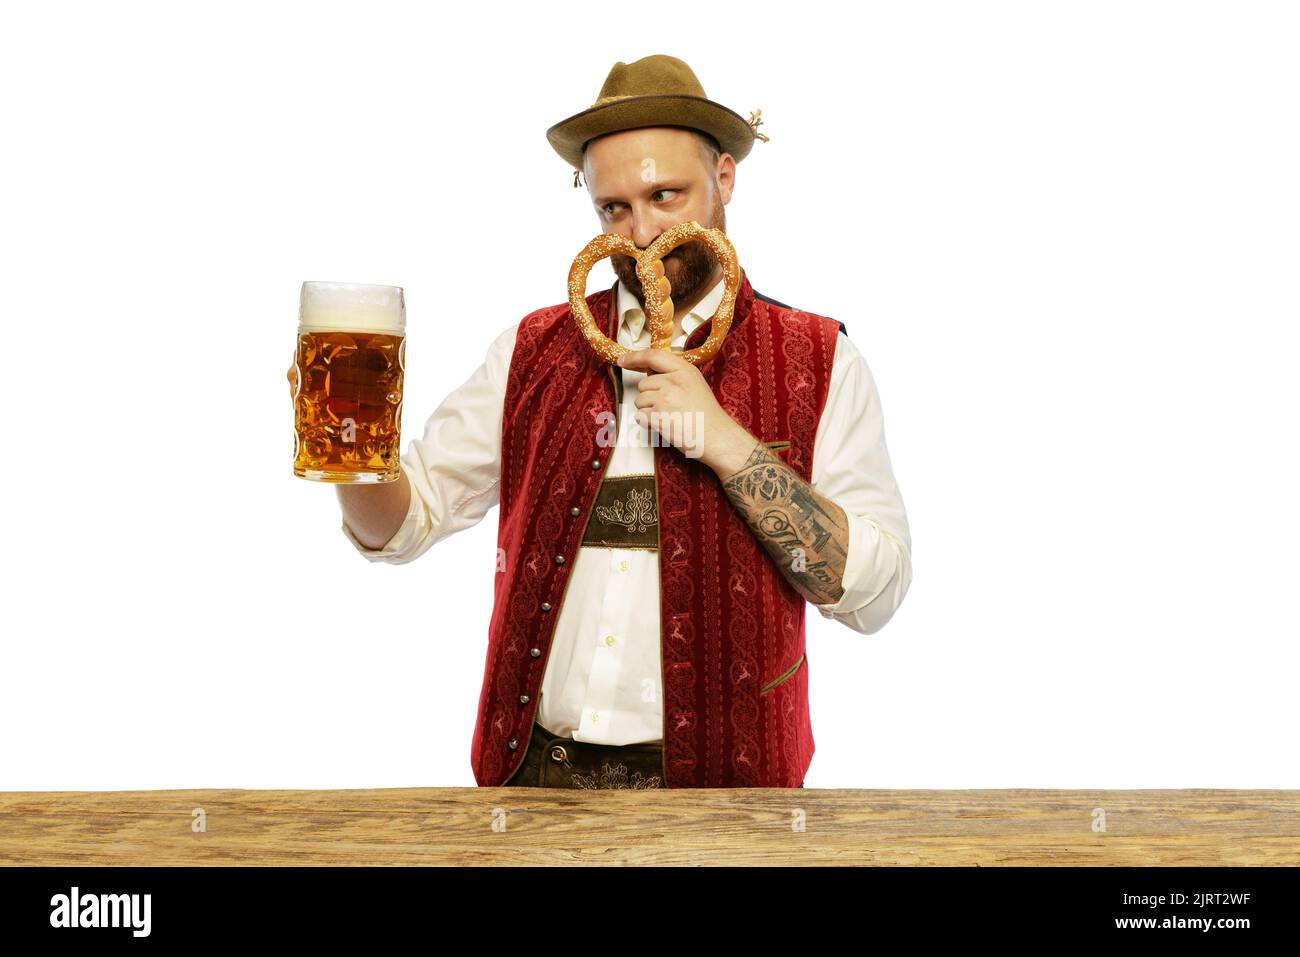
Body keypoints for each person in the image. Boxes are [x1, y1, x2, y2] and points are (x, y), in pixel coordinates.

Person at [287, 54, 912, 789]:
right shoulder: (532, 352)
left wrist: (727, 445)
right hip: (531, 786)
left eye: (665, 195)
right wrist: (357, 449)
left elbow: (876, 592)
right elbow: (399, 522)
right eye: (613, 209)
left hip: (727, 803)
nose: (641, 234)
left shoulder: (819, 360)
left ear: (726, 180)